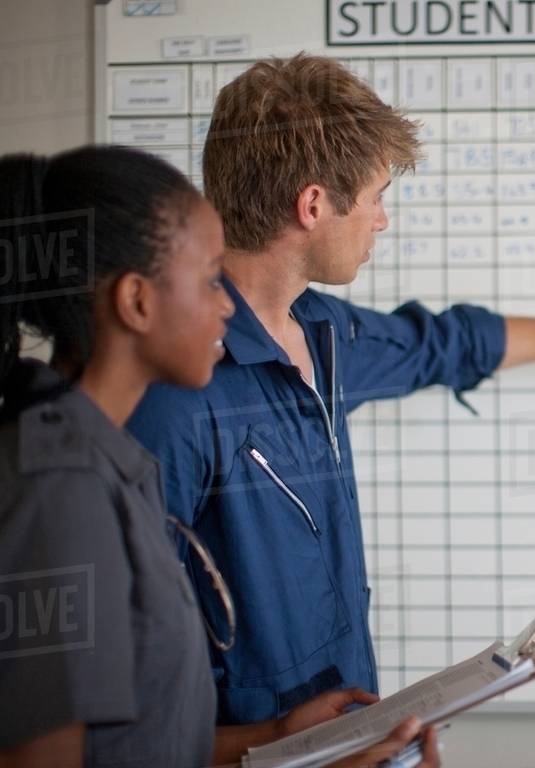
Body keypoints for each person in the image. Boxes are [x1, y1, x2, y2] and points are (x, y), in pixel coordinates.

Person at [126, 52, 535, 724]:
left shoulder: (323, 332)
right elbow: (121, 694)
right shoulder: (173, 394)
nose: (381, 221)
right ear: (313, 204)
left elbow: (442, 345)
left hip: (353, 738)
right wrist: (274, 745)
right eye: (377, 197)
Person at [0, 146, 436, 767]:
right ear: (138, 302)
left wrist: (283, 739)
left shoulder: (106, 463)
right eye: (209, 280)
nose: (228, 305)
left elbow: (139, 745)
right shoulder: (58, 493)